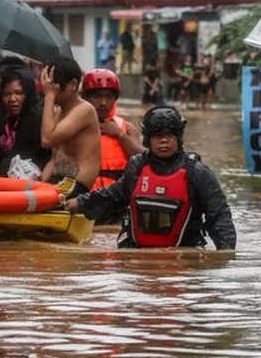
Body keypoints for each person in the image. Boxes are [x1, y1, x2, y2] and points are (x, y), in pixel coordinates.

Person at [65, 105, 236, 250]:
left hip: (182, 254)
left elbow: (220, 216)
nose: (164, 141)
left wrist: (226, 254)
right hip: (137, 252)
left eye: (169, 135)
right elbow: (111, 196)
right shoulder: (137, 168)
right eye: (157, 136)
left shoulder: (197, 173)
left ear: (179, 138)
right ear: (147, 139)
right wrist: (77, 203)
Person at [39, 58, 101, 197]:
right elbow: (54, 158)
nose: (50, 90)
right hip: (57, 178)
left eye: (54, 86)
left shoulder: (85, 110)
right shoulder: (58, 112)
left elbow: (47, 140)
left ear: (73, 85)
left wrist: (49, 97)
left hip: (76, 183)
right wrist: (40, 181)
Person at [81, 69, 143, 191]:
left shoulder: (127, 128)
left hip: (117, 194)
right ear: (86, 97)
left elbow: (144, 159)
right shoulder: (75, 125)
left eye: (109, 97)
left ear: (115, 99)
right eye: (97, 96)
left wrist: (119, 135)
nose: (103, 103)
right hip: (85, 193)